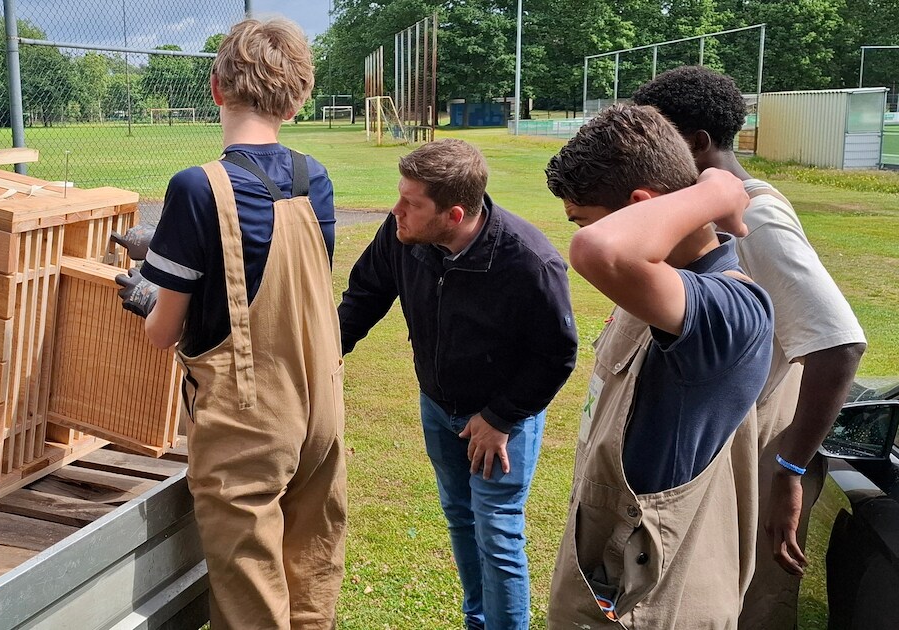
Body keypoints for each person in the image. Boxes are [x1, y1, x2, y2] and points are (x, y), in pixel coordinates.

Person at [113, 17, 346, 630]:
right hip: (320, 410)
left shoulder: (197, 188)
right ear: (297, 100)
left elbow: (164, 332)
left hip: (250, 424)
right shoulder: (314, 178)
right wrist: (170, 250)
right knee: (311, 580)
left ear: (216, 88)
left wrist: (151, 291)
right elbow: (272, 265)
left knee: (252, 604)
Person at [631, 66, 867, 630]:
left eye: (660, 140)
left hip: (763, 453)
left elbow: (838, 344)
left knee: (752, 601)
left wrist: (789, 469)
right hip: (722, 440)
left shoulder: (754, 217)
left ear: (696, 143)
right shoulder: (710, 211)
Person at [544, 104, 774, 628]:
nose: (579, 230)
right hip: (612, 577)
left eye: (582, 216)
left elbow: (600, 250)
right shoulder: (662, 290)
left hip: (652, 605)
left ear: (640, 207)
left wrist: (716, 190)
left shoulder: (728, 310)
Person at [338, 138, 578, 629]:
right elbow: (365, 295)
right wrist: (323, 355)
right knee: (460, 516)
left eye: (411, 203)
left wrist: (500, 418)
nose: (396, 210)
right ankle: (478, 620)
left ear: (454, 214)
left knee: (497, 531)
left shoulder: (528, 261)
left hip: (500, 420)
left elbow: (557, 354)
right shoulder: (403, 235)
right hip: (437, 404)